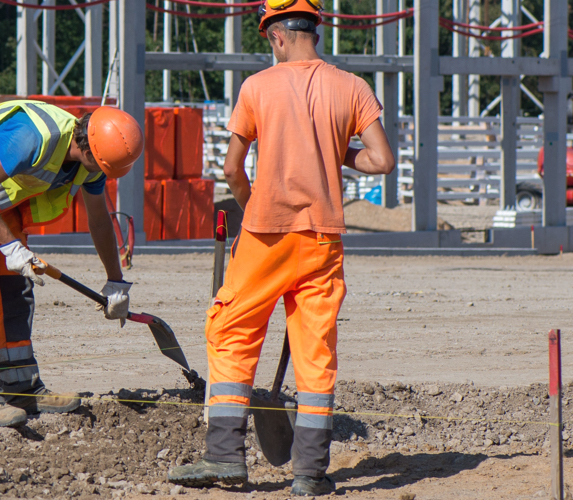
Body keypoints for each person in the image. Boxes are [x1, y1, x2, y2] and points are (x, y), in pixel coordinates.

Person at [164, 0, 395, 495]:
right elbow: (381, 161)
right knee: (315, 350)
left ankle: (225, 457)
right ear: (314, 29)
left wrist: (251, 210)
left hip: (266, 236)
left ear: (277, 36)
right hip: (323, 238)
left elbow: (231, 170)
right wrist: (336, 150)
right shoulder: (352, 88)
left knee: (231, 332)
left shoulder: (258, 88)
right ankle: (309, 474)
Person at [0, 100, 145, 427]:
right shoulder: (33, 137)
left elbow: (99, 220)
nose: (101, 173)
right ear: (89, 150)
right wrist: (13, 247)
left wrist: (116, 282)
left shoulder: (91, 161)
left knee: (16, 294)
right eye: (102, 166)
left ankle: (22, 389)